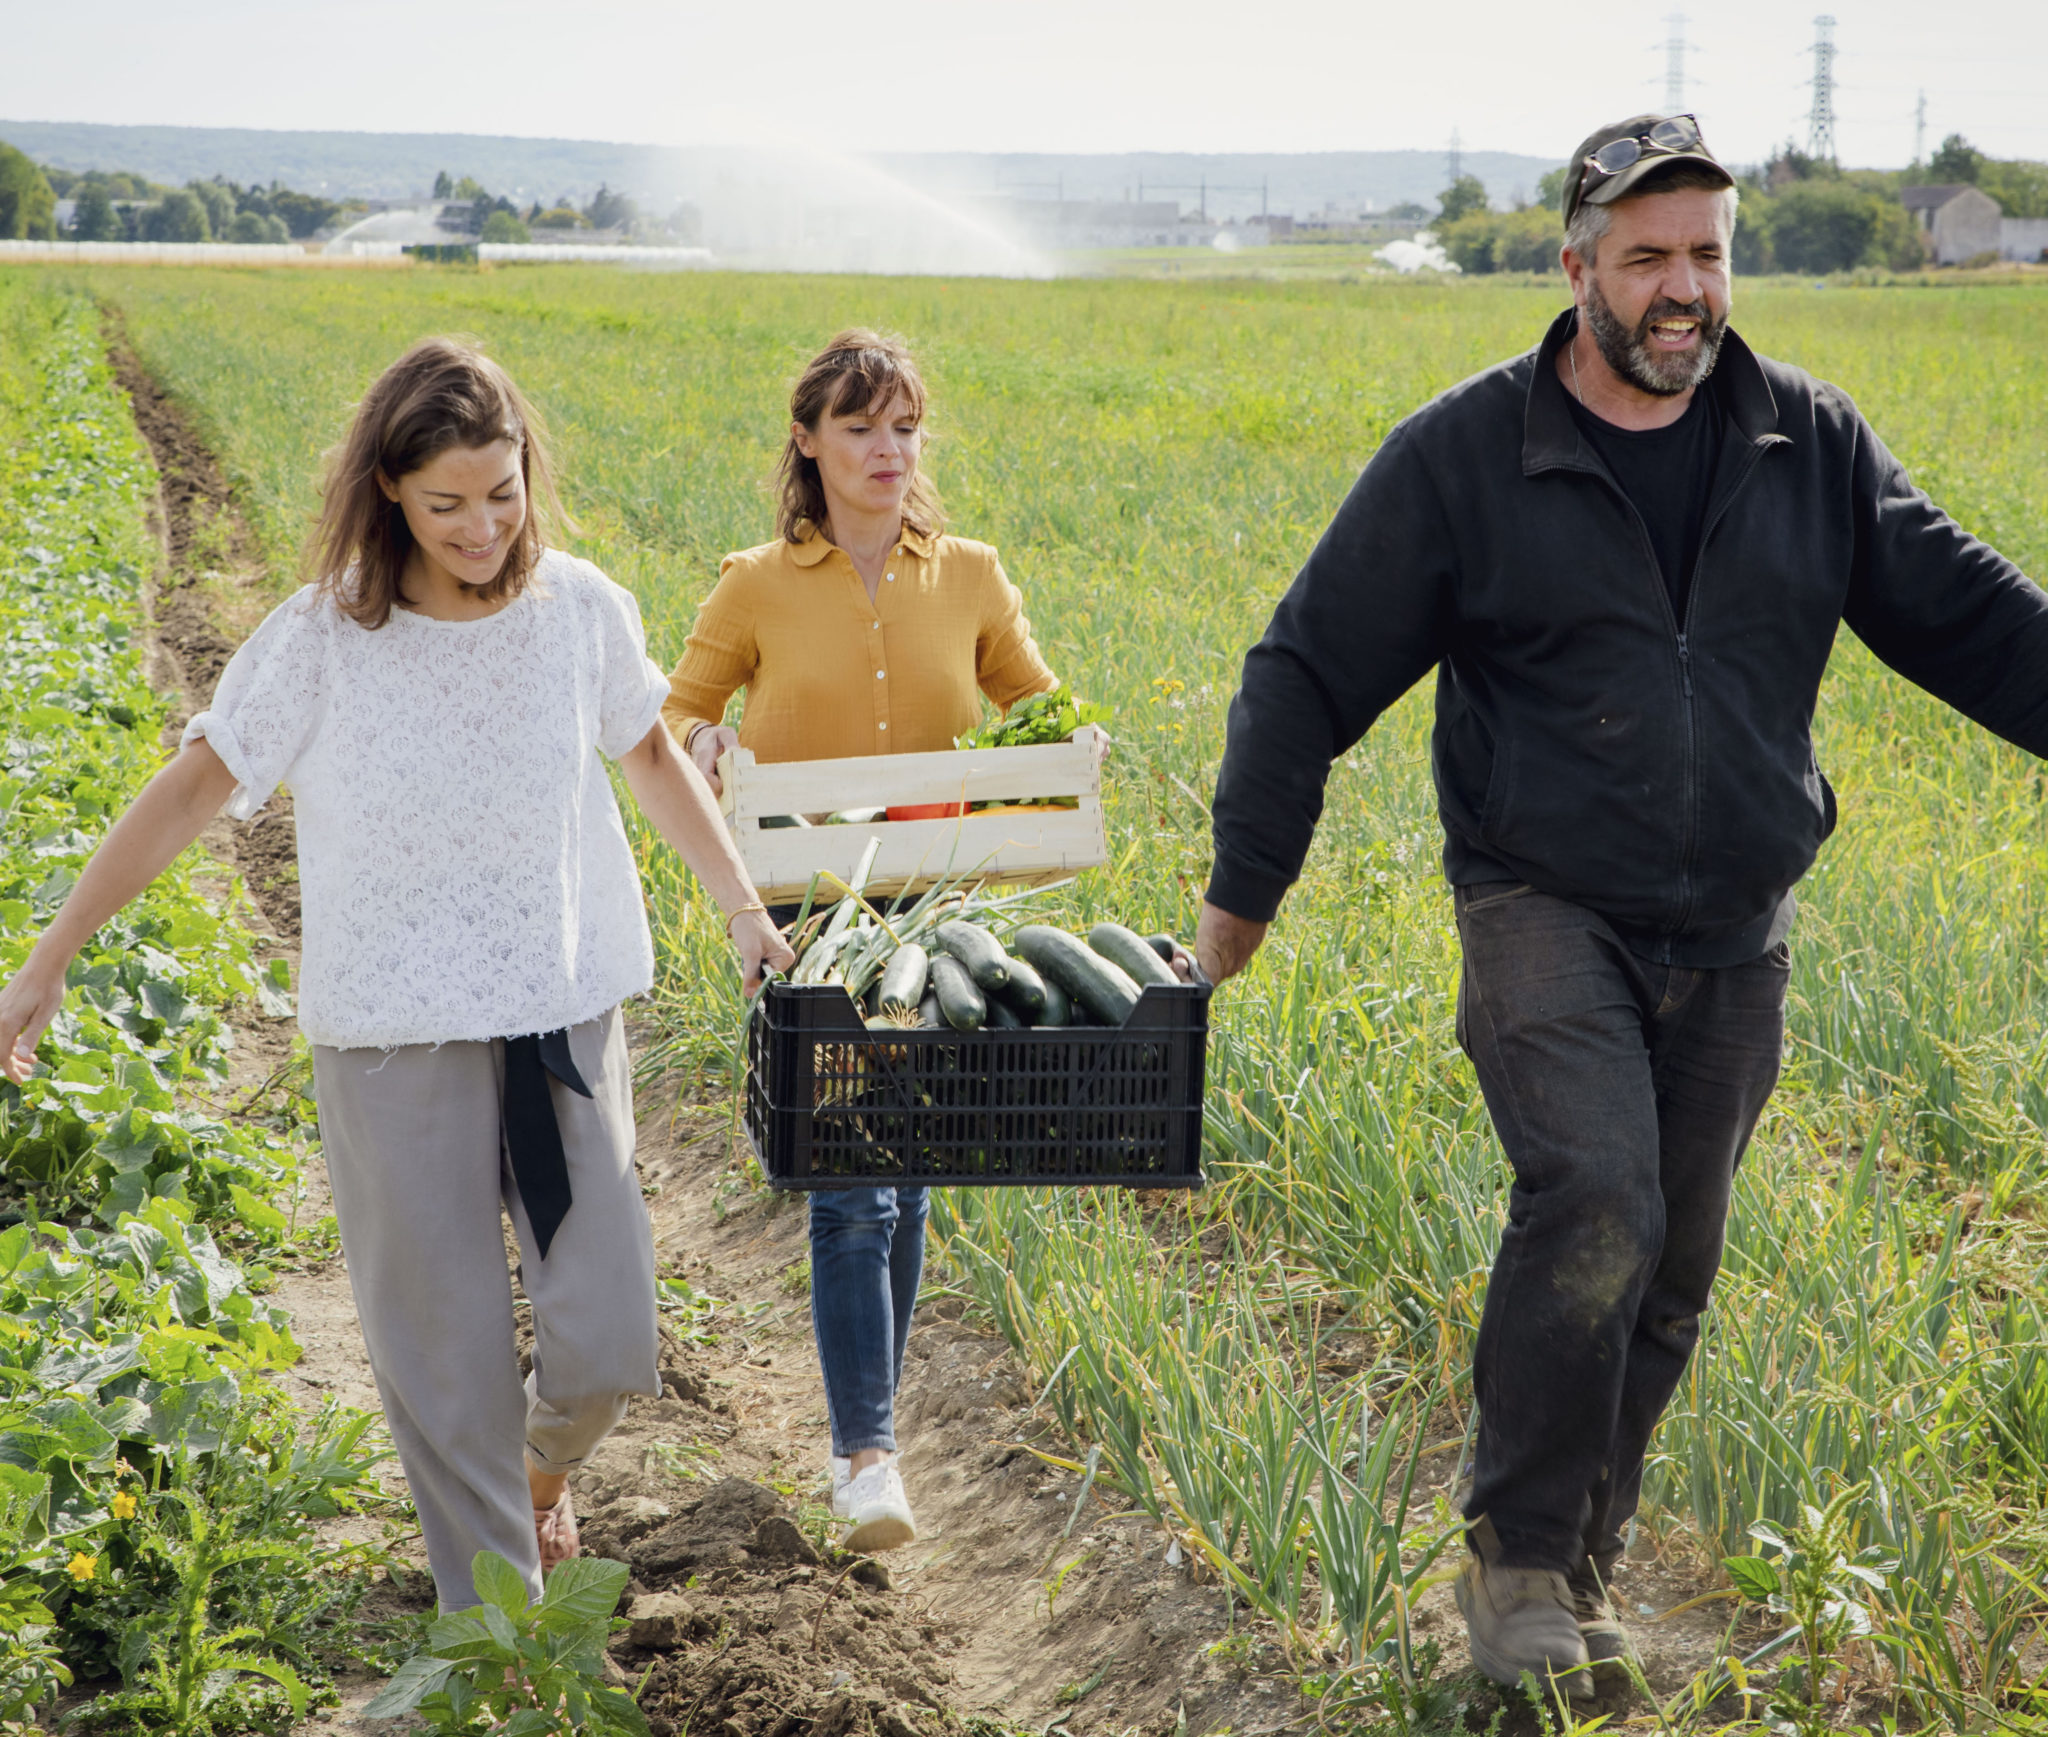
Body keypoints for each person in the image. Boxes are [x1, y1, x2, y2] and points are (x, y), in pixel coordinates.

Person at [1195, 115, 2048, 1696]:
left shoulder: (1808, 441)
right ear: (1574, 262)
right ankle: (1515, 1559)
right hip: (1543, 897)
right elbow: (1305, 666)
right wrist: (1246, 889)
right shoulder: (1466, 456)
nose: (1683, 290)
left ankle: (1582, 1565)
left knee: (1672, 1268)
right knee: (1597, 1194)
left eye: (1707, 254)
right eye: (1647, 256)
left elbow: (1975, 619)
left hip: (1733, 924)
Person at [0, 337, 793, 1614]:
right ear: (387, 493)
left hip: (558, 1015)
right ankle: (506, 1656)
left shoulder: (578, 608)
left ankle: (539, 1481)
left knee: (602, 1338)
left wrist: (744, 910)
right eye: (446, 505)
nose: (482, 527)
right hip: (392, 1039)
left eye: (502, 491)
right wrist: (50, 957)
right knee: (450, 1366)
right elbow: (194, 787)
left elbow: (649, 756)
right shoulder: (323, 637)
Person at [663, 329, 1065, 1552]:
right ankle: (865, 1457)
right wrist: (707, 746)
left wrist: (1065, 755)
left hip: (939, 920)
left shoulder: (974, 576)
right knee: (853, 1188)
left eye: (902, 429)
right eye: (858, 429)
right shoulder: (753, 584)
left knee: (909, 1178)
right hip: (810, 916)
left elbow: (1037, 710)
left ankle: (867, 1443)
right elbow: (677, 715)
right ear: (808, 440)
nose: (886, 452)